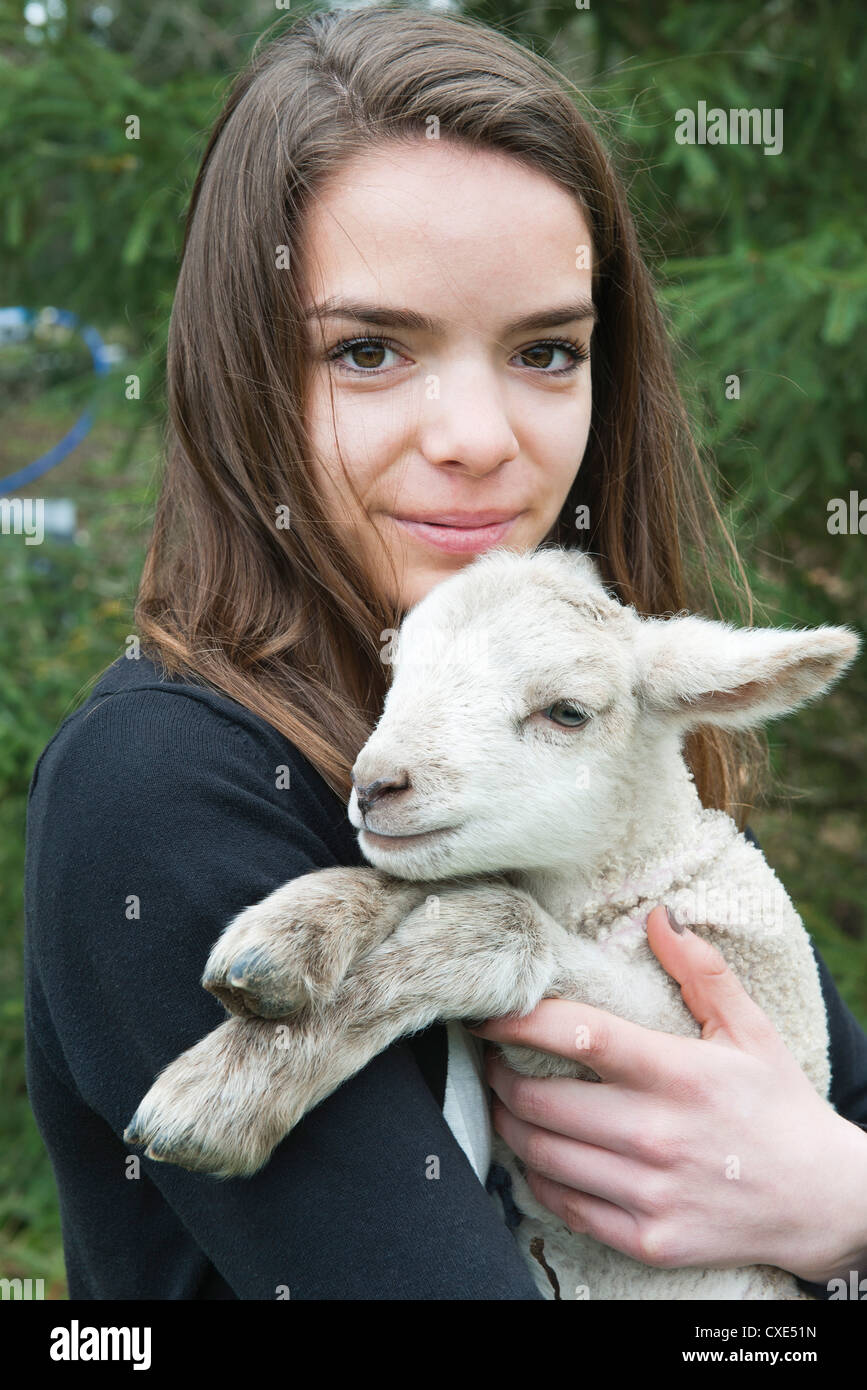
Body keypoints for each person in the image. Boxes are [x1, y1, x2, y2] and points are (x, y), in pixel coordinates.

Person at [23, 3, 867, 1300]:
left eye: (545, 350)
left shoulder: (611, 758)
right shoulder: (170, 790)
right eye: (369, 349)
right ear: (248, 369)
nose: (477, 433)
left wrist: (834, 1203)